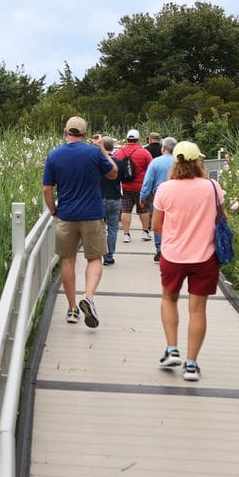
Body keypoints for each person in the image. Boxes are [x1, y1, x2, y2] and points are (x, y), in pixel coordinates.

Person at [151, 141, 226, 381]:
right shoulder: (212, 187)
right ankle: (191, 365)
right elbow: (220, 219)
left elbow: (157, 225)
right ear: (197, 162)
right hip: (205, 257)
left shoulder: (165, 189)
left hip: (173, 255)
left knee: (168, 298)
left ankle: (172, 349)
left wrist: (175, 236)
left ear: (176, 162)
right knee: (198, 309)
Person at [42, 116, 118, 328]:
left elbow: (47, 188)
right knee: (94, 258)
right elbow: (113, 174)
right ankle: (89, 297)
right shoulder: (93, 152)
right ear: (84, 134)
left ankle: (73, 308)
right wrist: (102, 149)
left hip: (66, 215)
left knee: (68, 260)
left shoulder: (54, 155)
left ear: (65, 131)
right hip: (93, 214)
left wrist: (54, 211)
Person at [139, 136, 177, 262]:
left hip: (159, 196)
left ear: (164, 148)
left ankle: (160, 249)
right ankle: (173, 247)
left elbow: (148, 182)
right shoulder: (179, 162)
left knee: (158, 221)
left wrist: (143, 196)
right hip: (178, 196)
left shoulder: (155, 162)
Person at [115, 129, 154, 243]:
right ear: (138, 139)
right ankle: (145, 232)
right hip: (141, 187)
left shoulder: (119, 152)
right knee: (144, 209)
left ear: (127, 139)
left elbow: (115, 167)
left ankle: (126, 234)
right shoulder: (144, 152)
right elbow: (150, 168)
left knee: (126, 210)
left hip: (125, 186)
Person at [99, 136, 122, 265]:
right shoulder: (119, 162)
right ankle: (109, 256)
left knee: (100, 229)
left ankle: (101, 253)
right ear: (112, 147)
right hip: (115, 198)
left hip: (100, 198)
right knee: (113, 228)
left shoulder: (97, 162)